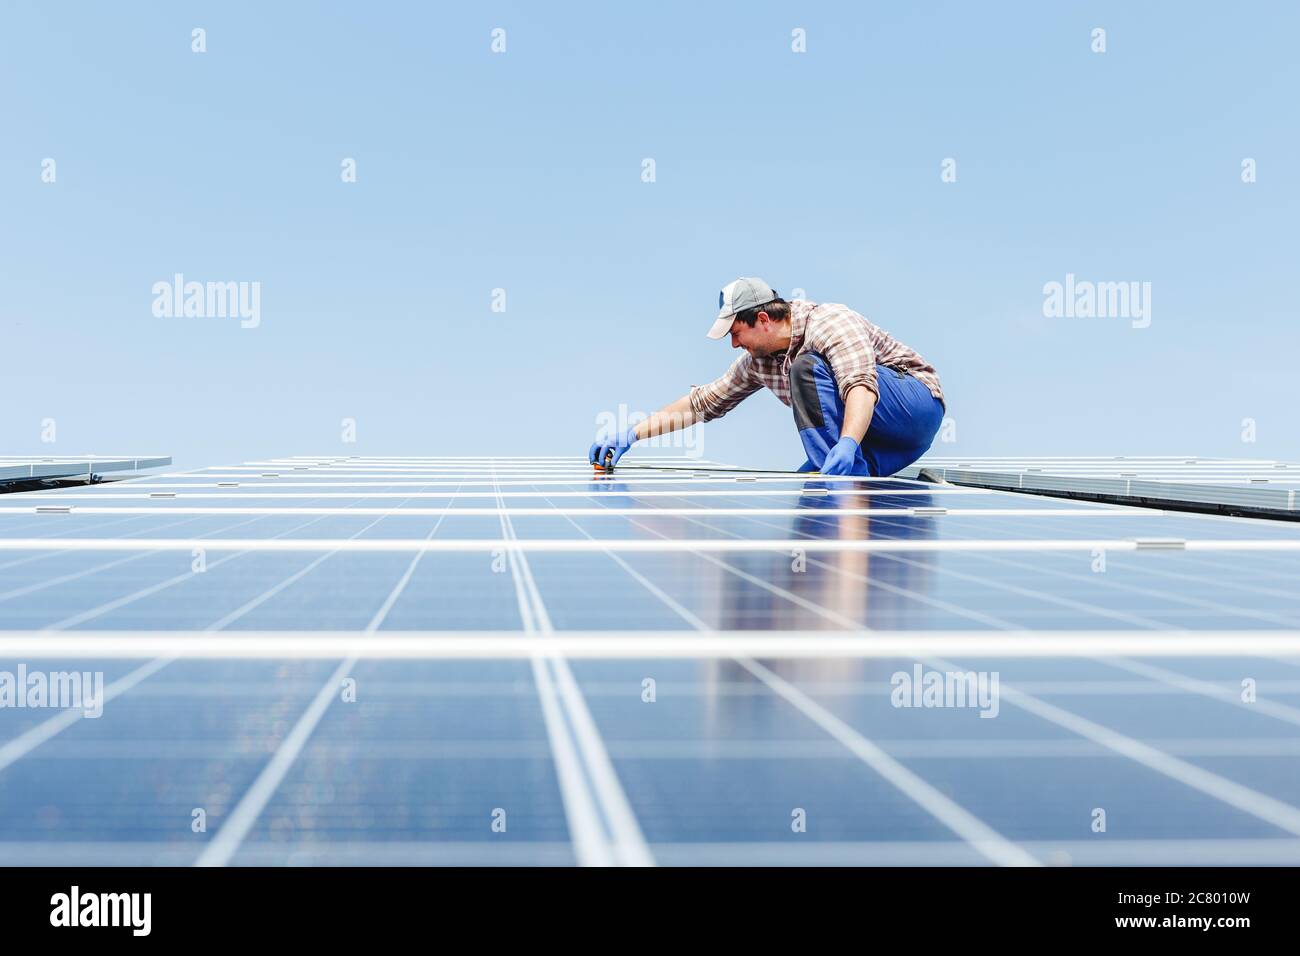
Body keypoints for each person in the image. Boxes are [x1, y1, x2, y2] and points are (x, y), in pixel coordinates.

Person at [588, 277, 946, 476]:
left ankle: (845, 474)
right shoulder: (759, 362)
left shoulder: (830, 322)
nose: (733, 344)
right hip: (882, 444)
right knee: (809, 483)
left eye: (735, 333)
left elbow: (861, 387)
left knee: (807, 367)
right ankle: (847, 484)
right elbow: (702, 404)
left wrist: (848, 444)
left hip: (913, 408)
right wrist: (631, 434)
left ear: (762, 320)